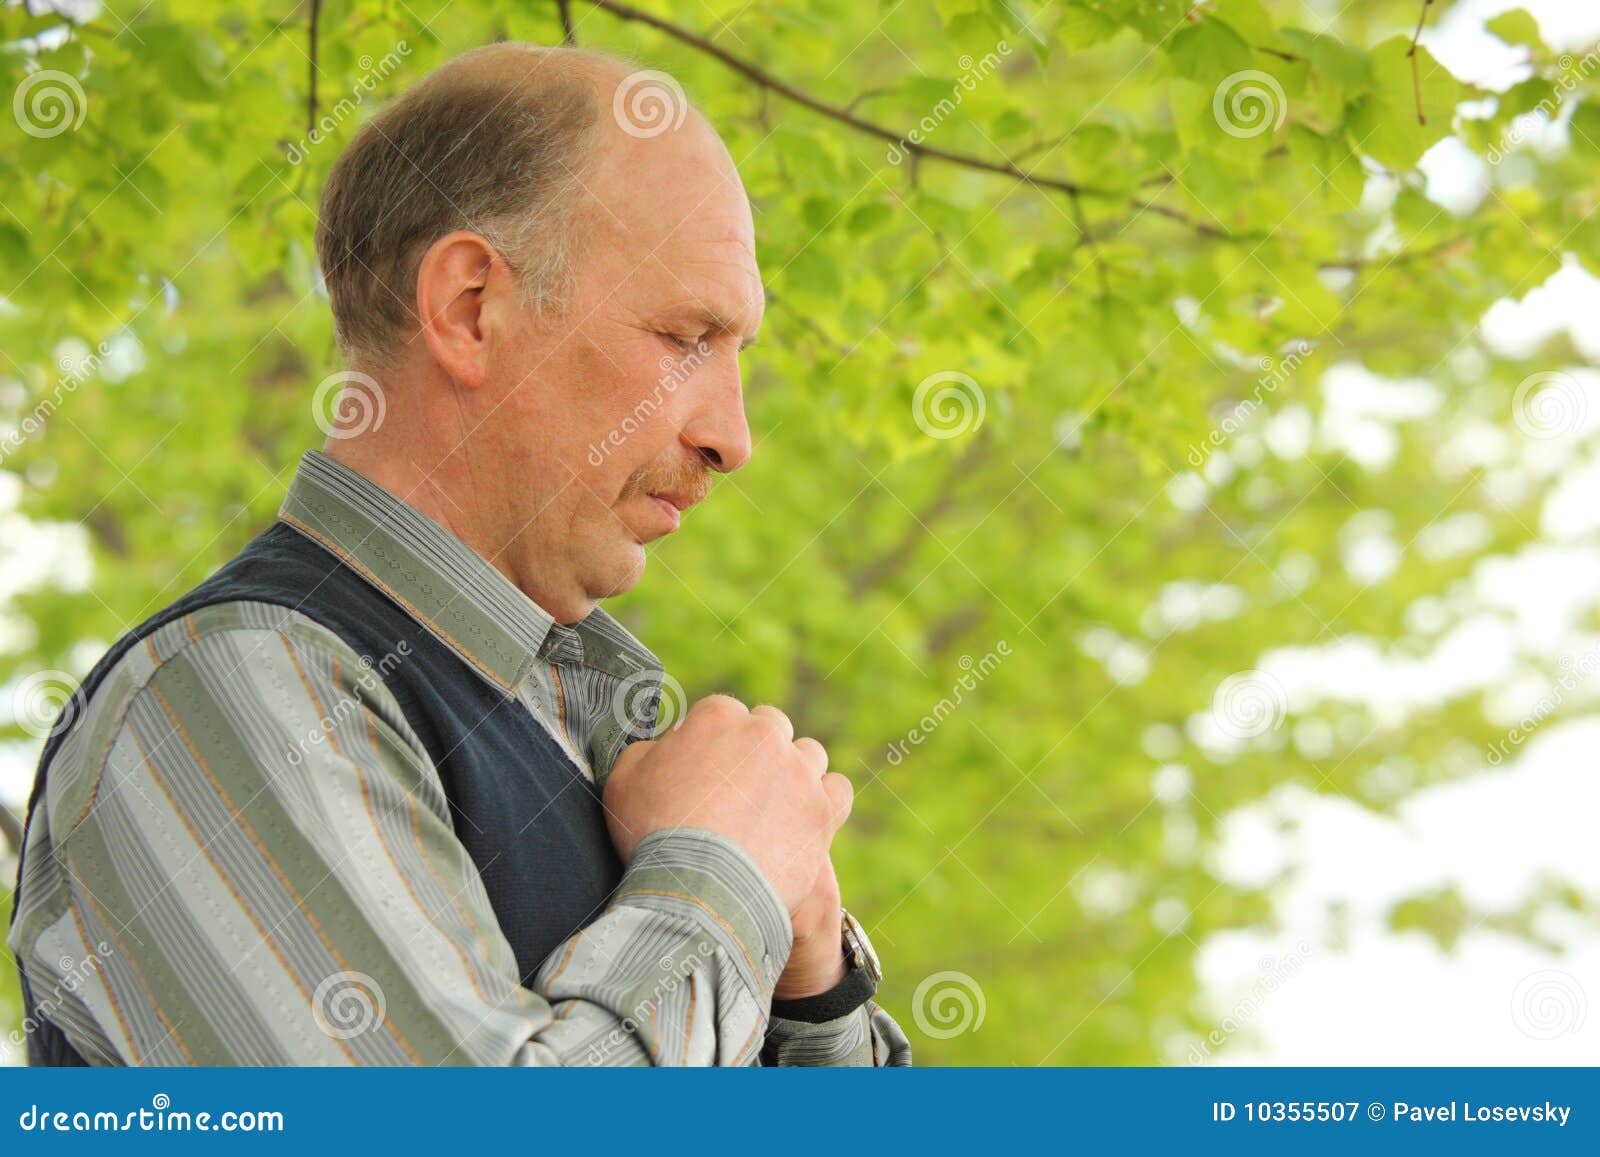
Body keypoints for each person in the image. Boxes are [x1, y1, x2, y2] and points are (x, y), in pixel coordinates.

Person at [7, 42, 910, 1067]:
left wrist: (814, 990)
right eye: (685, 337)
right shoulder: (222, 688)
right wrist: (724, 878)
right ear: (471, 306)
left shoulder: (584, 732)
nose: (732, 437)